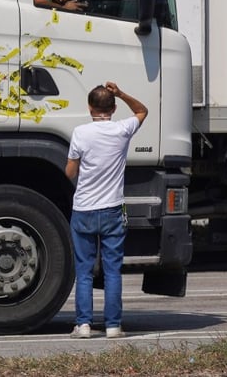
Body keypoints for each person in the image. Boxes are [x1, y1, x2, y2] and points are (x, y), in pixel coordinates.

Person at [65, 81, 147, 338]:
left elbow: (70, 171)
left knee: (84, 270)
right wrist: (121, 93)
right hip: (113, 209)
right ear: (113, 108)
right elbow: (142, 110)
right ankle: (113, 325)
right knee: (112, 270)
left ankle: (84, 325)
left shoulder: (80, 133)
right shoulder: (122, 129)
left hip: (84, 209)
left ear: (89, 108)